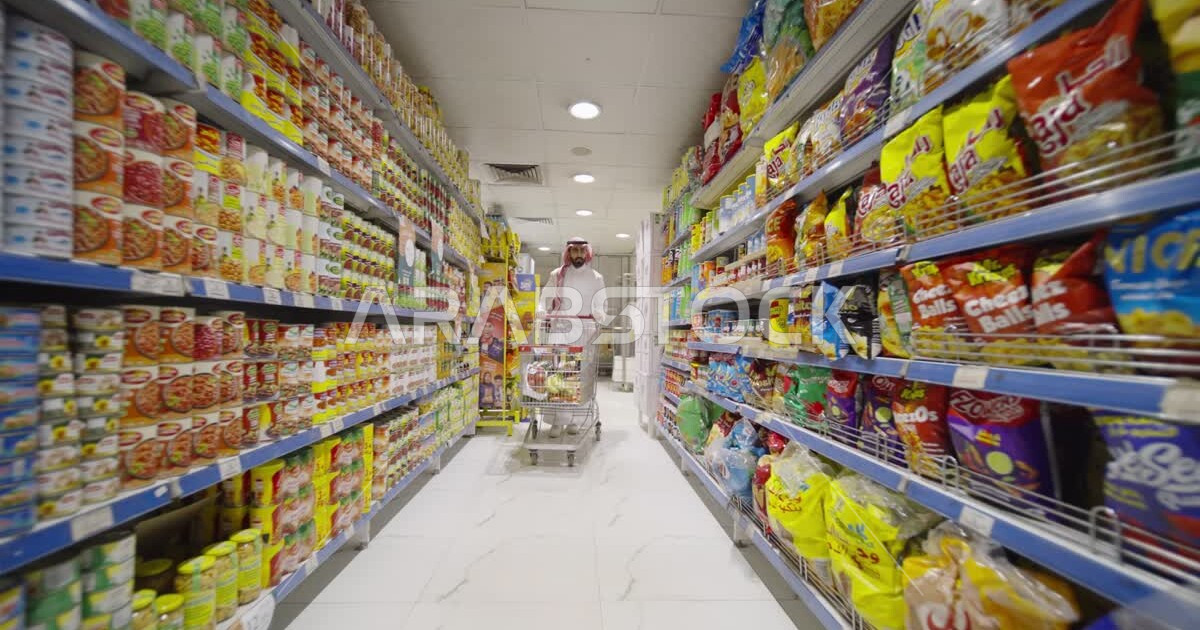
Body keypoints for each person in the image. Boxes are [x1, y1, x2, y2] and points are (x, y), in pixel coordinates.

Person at [539, 237, 606, 438]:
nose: (578, 255)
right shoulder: (557, 275)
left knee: (580, 377)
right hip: (559, 332)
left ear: (587, 253)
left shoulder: (596, 278)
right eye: (574, 250)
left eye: (581, 251)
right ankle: (557, 423)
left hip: (584, 333)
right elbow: (544, 299)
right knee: (557, 377)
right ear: (569, 252)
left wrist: (599, 318)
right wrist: (541, 311)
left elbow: (601, 304)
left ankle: (576, 420)